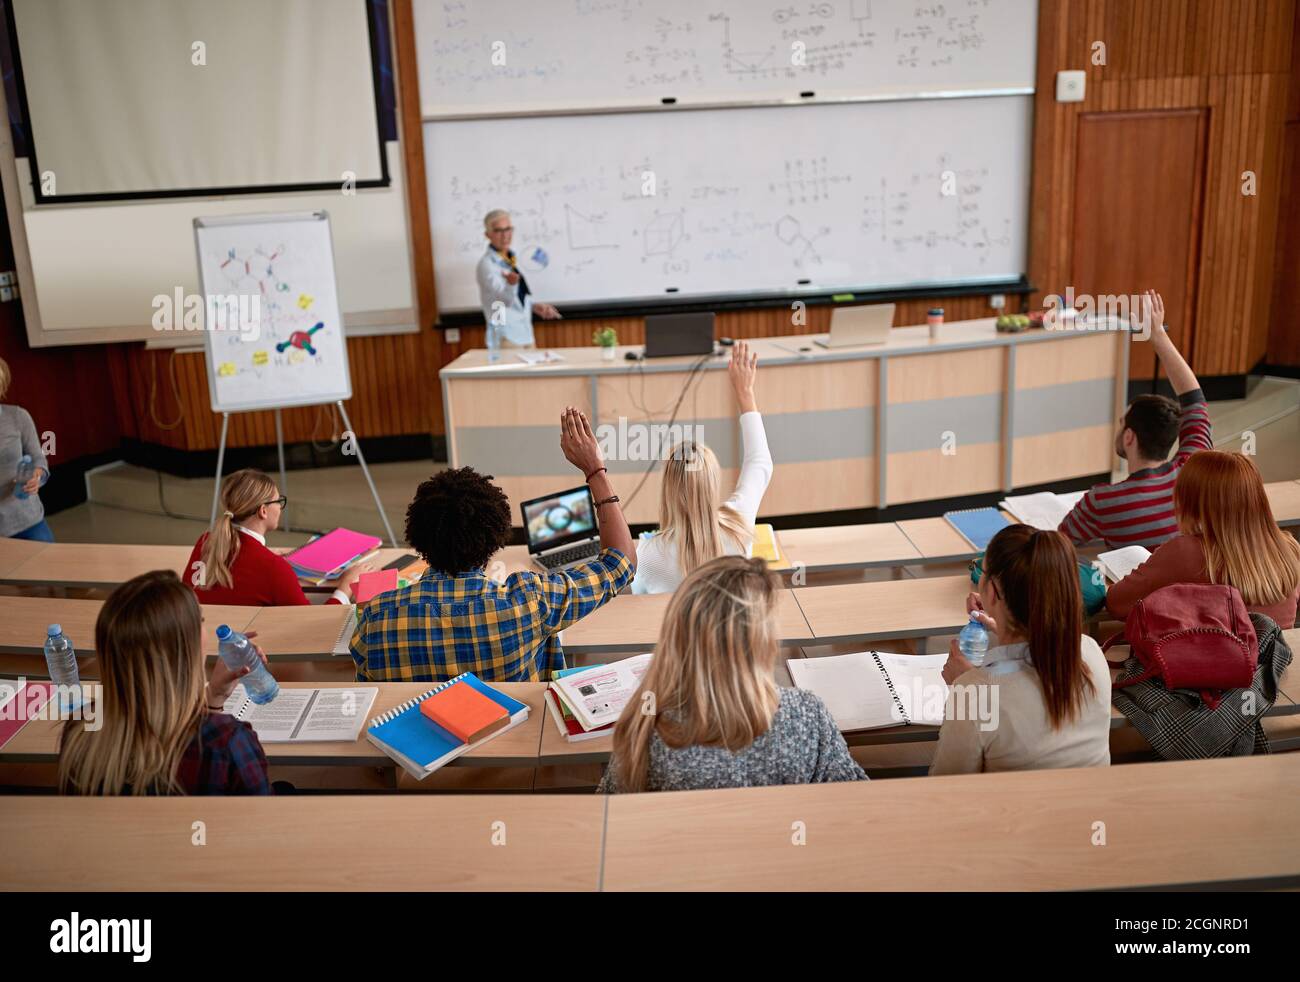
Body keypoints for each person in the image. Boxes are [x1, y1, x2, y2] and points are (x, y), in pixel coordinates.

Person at [351, 408, 635, 683]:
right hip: (522, 730)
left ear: (418, 538)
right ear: (496, 537)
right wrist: (595, 470)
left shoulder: (377, 617)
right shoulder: (531, 601)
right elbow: (619, 564)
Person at [599, 556, 864, 792]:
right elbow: (860, 801)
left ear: (676, 633)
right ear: (763, 640)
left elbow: (609, 816)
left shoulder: (645, 725)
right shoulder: (806, 714)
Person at [59, 570, 272, 795]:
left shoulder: (80, 731)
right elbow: (266, 823)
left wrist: (214, 698)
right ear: (184, 648)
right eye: (200, 620)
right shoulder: (227, 742)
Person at [930, 525, 1111, 775]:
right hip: (1091, 809)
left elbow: (945, 786)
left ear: (991, 592)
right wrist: (1005, 625)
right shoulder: (1090, 651)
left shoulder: (974, 695)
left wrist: (963, 684)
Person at [1058, 290, 1212, 549]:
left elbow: (1058, 544)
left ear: (1129, 437)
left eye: (1122, 424)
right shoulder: (1194, 475)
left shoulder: (1101, 502)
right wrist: (1158, 336)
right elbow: (1194, 398)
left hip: (1137, 590)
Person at [631, 340, 773, 594]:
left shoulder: (648, 555)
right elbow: (759, 462)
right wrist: (745, 392)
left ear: (668, 488)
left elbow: (638, 602)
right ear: (712, 482)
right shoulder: (739, 526)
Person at [1106, 451, 1300, 628]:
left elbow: (1116, 603)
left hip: (1214, 664)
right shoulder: (1289, 548)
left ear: (1189, 502)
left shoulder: (1184, 552)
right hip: (1277, 663)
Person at [186, 469, 364, 606]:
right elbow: (313, 622)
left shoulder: (206, 541)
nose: (280, 507)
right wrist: (346, 586)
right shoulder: (273, 567)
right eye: (278, 501)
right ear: (263, 511)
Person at [476, 209, 561, 349]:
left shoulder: (510, 258)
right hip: (505, 336)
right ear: (488, 235)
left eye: (508, 229)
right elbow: (503, 300)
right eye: (498, 231)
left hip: (525, 333)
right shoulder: (486, 265)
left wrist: (533, 306)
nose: (505, 236)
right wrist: (511, 285)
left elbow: (517, 296)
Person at [0, 356, 53, 541]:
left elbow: (38, 458)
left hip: (28, 520)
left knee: (50, 567)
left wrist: (36, 476)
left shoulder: (18, 416)